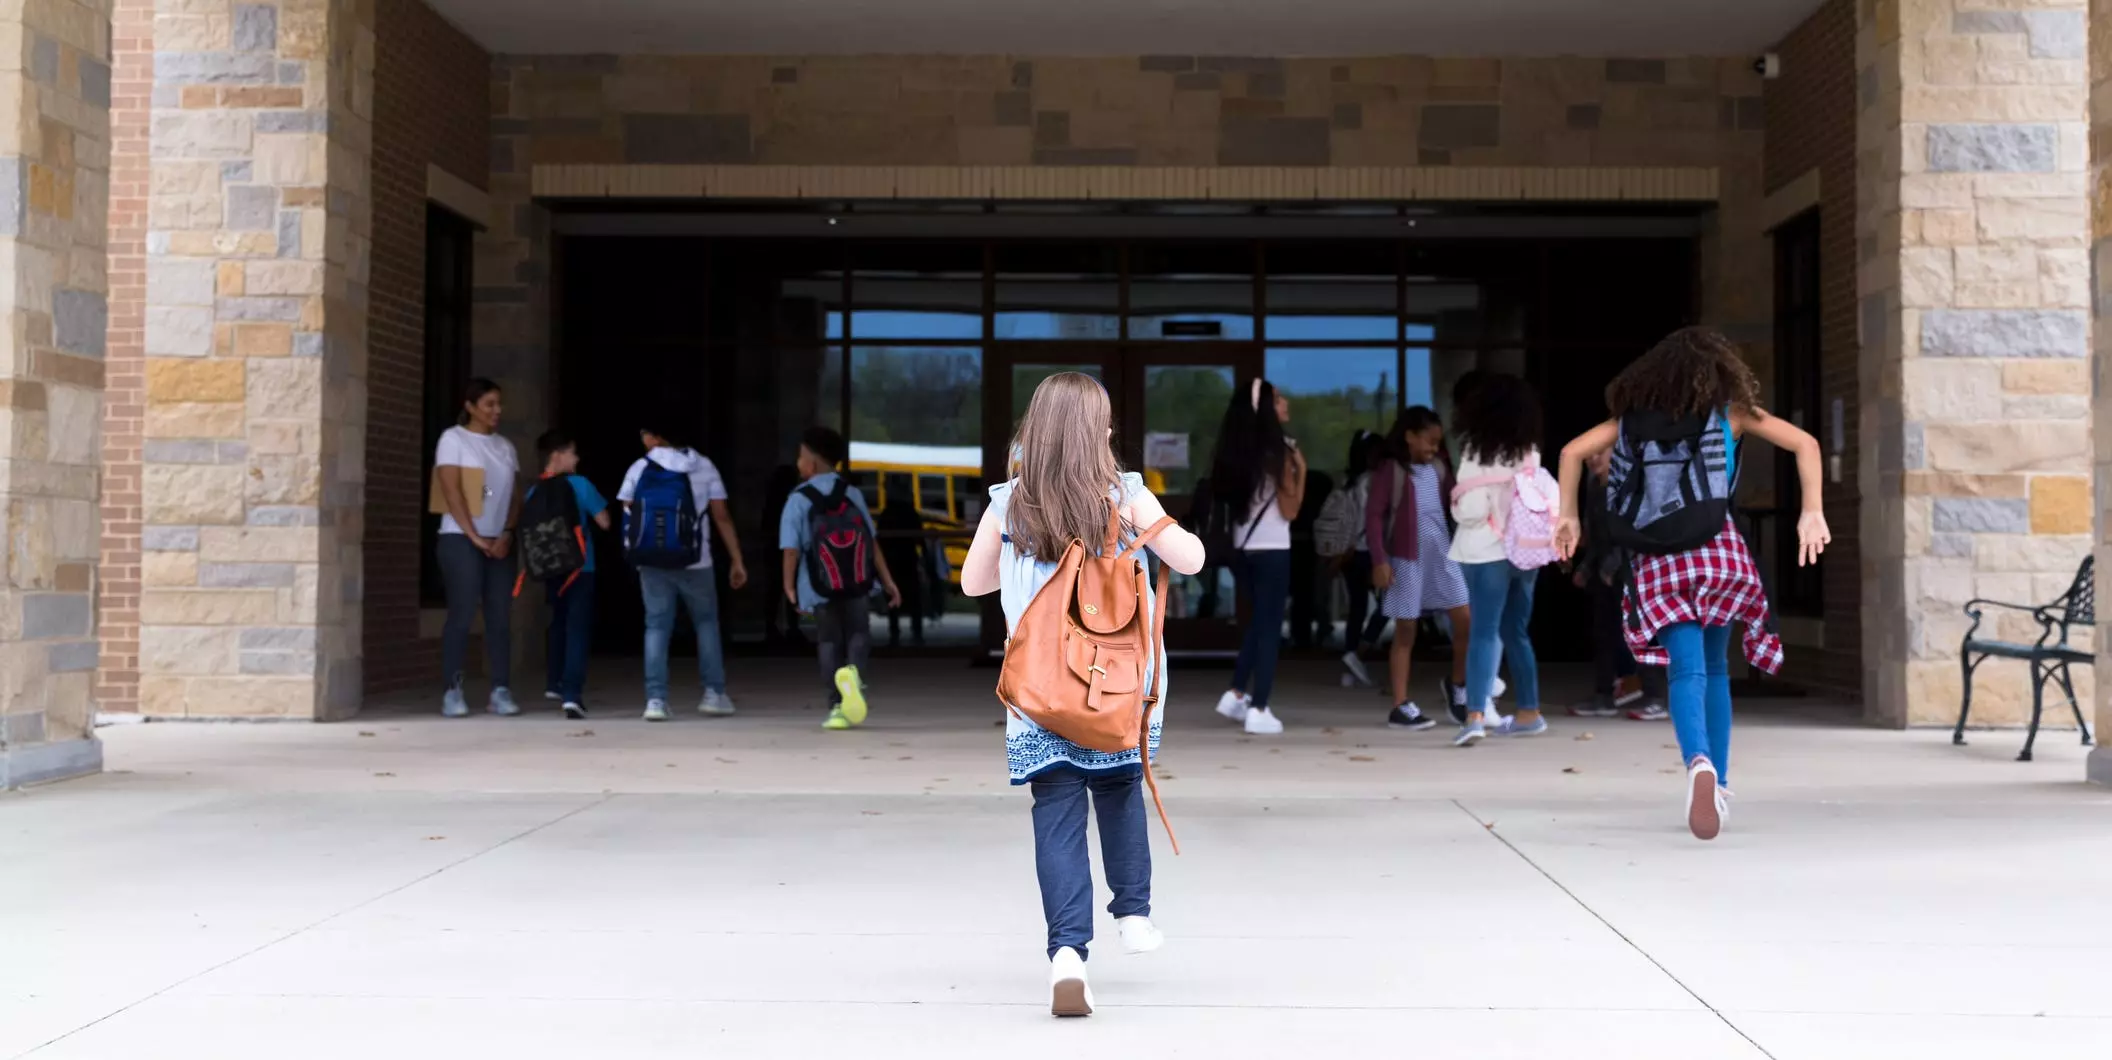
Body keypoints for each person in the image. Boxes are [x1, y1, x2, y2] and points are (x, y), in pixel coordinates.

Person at [960, 372, 1206, 1017]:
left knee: (1058, 812)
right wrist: (1143, 523)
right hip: (1118, 685)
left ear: (1035, 432)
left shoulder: (1008, 502)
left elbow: (972, 584)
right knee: (1120, 790)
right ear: (1098, 431)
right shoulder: (1125, 494)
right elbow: (1192, 560)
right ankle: (1133, 913)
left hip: (1040, 690)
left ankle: (1067, 954)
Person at [1554, 326, 1829, 840]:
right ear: (1719, 372)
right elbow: (1805, 444)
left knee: (1685, 671)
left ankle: (1697, 763)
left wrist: (1568, 516)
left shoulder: (1630, 423)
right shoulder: (1731, 414)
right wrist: (1810, 511)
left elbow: (1571, 453)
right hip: (1719, 550)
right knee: (1717, 671)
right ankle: (1719, 784)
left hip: (1660, 559)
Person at [618, 424, 749, 722]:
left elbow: (629, 511)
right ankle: (714, 694)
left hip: (651, 562)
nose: (642, 441)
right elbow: (721, 517)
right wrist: (737, 559)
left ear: (656, 436)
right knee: (706, 624)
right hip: (696, 560)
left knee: (656, 627)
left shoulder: (640, 468)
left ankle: (655, 700)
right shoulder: (703, 466)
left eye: (644, 435)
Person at [779, 426, 903, 731]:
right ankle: (854, 676)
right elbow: (871, 543)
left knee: (828, 639)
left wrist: (789, 586)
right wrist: (888, 582)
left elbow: (791, 550)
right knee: (859, 633)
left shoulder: (798, 499)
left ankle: (836, 706)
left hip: (819, 585)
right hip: (857, 581)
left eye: (800, 456)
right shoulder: (851, 493)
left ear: (812, 462)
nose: (798, 463)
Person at [1447, 374, 1546, 747]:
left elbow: (1469, 511)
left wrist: (1465, 503)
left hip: (1485, 550)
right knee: (1516, 633)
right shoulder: (1530, 450)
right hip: (1525, 551)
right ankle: (1529, 712)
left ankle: (1474, 715)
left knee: (1483, 633)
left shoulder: (1476, 450)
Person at [1366, 407, 1476, 731]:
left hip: (1443, 555)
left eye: (1437, 442)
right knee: (1406, 631)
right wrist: (1379, 560)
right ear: (1409, 437)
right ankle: (1400, 706)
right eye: (1429, 441)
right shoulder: (1392, 471)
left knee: (1466, 621)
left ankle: (1457, 686)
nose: (1433, 448)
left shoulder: (1440, 468)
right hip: (1406, 559)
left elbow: (1458, 503)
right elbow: (1373, 516)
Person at [1209, 379, 1307, 736]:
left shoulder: (1236, 451)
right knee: (1269, 629)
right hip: (1273, 550)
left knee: (1258, 623)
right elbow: (1291, 509)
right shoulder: (1276, 451)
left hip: (1242, 549)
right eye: (1278, 399)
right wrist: (1302, 468)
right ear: (1265, 408)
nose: (1285, 403)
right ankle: (1260, 707)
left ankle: (1236, 693)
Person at [433, 378, 523, 718]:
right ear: (471, 407)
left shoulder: (505, 447)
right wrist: (473, 537)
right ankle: (453, 690)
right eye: (489, 404)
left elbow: (514, 495)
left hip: (499, 541)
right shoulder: (453, 439)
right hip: (460, 538)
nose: (496, 411)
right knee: (463, 611)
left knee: (500, 615)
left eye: (499, 404)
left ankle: (500, 689)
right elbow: (452, 490)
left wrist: (507, 533)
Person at [1566, 446, 1661, 720]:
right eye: (1590, 455)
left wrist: (1614, 565)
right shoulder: (1595, 486)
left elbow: (1635, 531)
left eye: (1600, 454)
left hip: (1631, 568)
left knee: (1640, 631)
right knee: (1603, 632)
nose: (1594, 460)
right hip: (1604, 570)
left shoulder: (1630, 485)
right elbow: (1596, 534)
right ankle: (1603, 695)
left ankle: (1654, 696)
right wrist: (1586, 567)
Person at [528, 430, 612, 720]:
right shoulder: (580, 484)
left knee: (558, 622)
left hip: (551, 570)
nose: (577, 458)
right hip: (581, 567)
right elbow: (604, 522)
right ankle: (572, 695)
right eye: (573, 452)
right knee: (577, 627)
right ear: (558, 455)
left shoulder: (533, 491)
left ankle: (554, 682)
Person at [1335, 431, 1388, 684]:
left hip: (1350, 551)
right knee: (1390, 603)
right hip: (1369, 550)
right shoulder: (1374, 481)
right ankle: (1361, 651)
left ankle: (1351, 659)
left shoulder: (1349, 483)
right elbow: (1372, 518)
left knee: (1356, 608)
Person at [876, 496, 928, 647]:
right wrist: (925, 556)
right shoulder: (910, 513)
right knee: (913, 597)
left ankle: (895, 633)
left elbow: (879, 538)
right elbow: (920, 538)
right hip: (907, 560)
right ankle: (916, 633)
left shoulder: (887, 514)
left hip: (893, 561)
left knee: (894, 597)